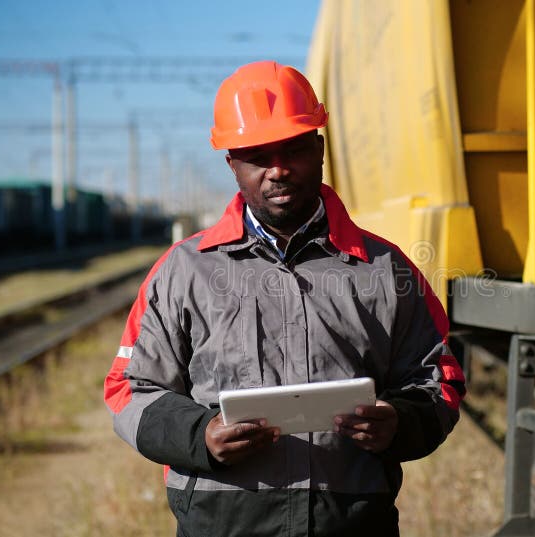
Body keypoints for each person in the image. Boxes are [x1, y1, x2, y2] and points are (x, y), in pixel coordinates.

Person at [103, 60, 466, 537]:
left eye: (293, 149)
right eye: (257, 155)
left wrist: (398, 424)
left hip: (352, 522)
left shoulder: (386, 268)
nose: (277, 170)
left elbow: (439, 380)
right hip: (223, 525)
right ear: (232, 163)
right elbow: (128, 389)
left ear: (319, 149)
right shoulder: (183, 271)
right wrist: (201, 437)